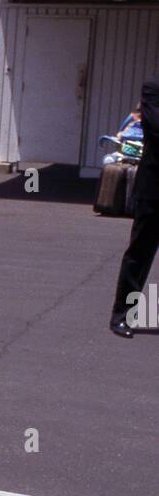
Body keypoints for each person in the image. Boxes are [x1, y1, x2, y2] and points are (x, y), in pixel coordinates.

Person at [110, 73, 159, 336]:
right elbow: (155, 126)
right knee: (140, 254)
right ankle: (122, 316)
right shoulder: (153, 88)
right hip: (154, 188)